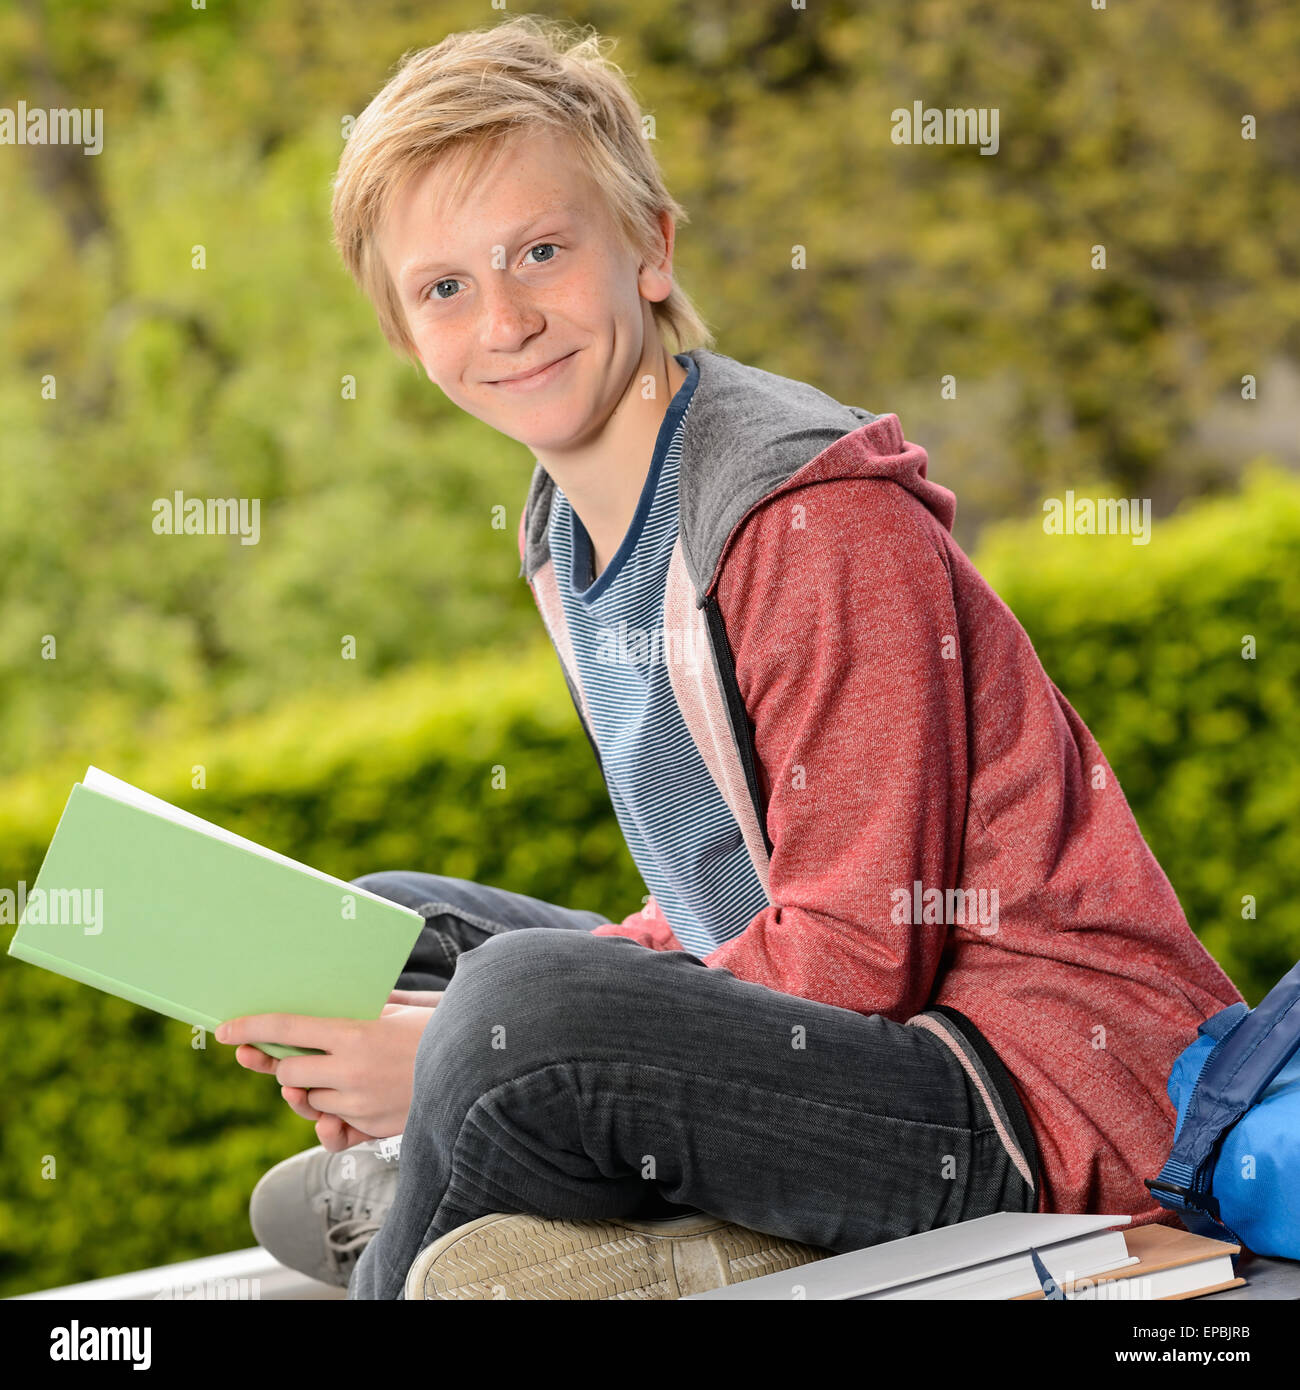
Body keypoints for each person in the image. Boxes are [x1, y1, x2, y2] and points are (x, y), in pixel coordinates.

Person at [218, 15, 1244, 1301]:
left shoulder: (802, 512)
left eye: (540, 251)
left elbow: (863, 954)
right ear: (403, 332)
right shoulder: (568, 534)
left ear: (648, 247)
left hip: (1020, 1102)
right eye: (444, 288)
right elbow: (731, 887)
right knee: (395, 933)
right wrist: (478, 1013)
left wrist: (462, 1053)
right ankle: (575, 1199)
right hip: (854, 1042)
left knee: (515, 1009)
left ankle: (497, 1192)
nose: (507, 318)